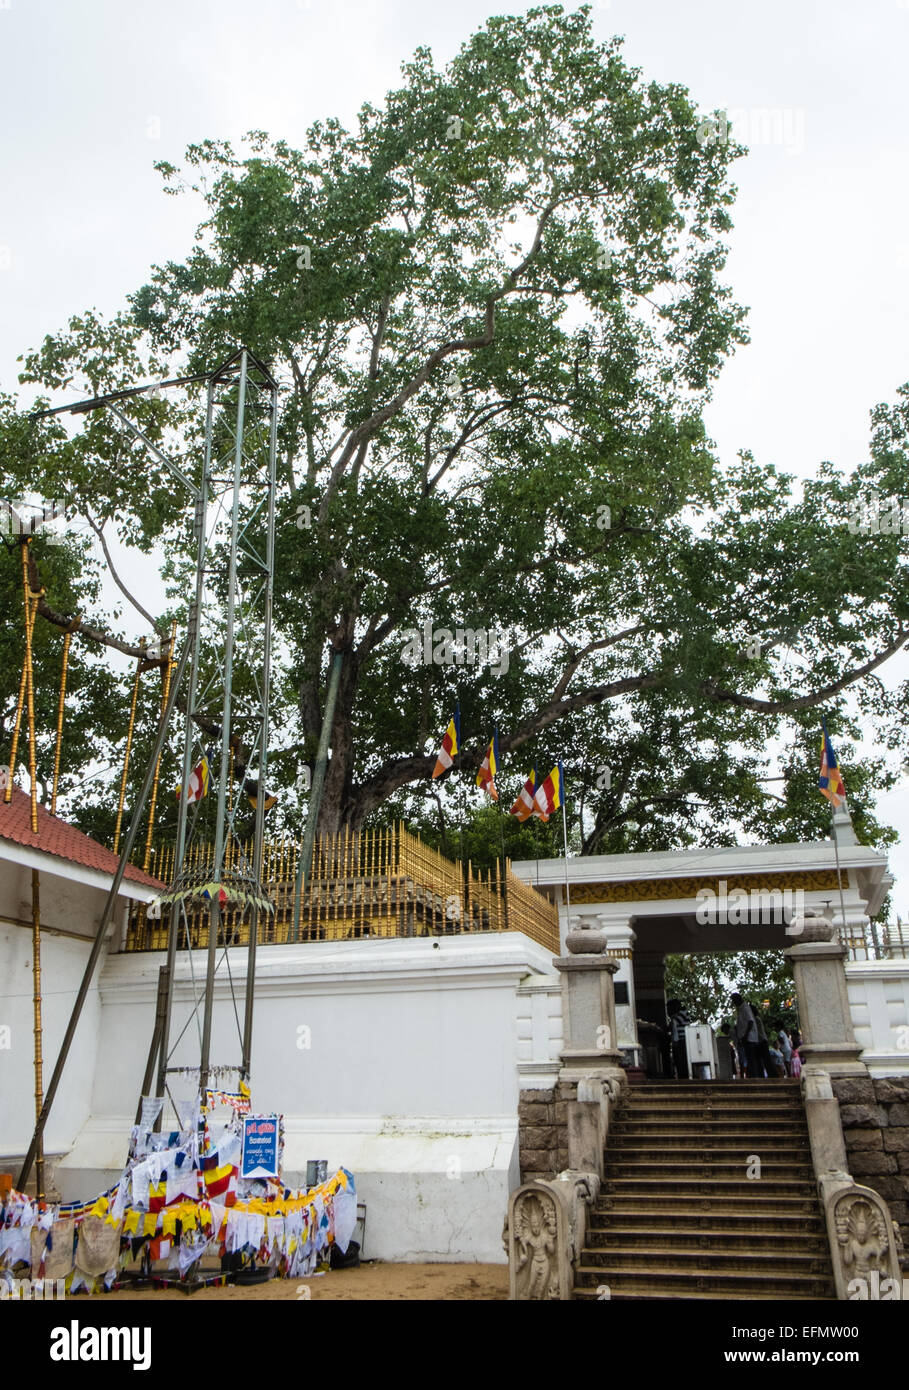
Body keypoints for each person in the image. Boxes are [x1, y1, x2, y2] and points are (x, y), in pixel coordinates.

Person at [730, 992, 761, 1078]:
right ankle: (752, 1076)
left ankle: (754, 1077)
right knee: (749, 1059)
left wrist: (746, 1035)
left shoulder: (745, 1008)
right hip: (746, 1038)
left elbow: (750, 1021)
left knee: (751, 1059)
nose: (734, 1003)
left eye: (734, 1001)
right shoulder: (741, 1009)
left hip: (749, 1038)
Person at [666, 998, 692, 1080]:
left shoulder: (682, 1013)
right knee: (678, 1061)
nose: (668, 1011)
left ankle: (684, 1078)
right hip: (679, 1041)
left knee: (682, 1061)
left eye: (669, 1008)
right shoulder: (678, 1015)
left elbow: (673, 1025)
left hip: (683, 1041)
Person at [751, 1002, 773, 1078]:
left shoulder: (756, 1020)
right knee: (763, 1060)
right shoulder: (757, 1019)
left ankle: (771, 1075)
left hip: (761, 1041)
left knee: (765, 1060)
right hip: (761, 1041)